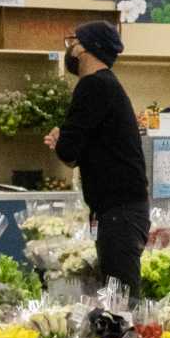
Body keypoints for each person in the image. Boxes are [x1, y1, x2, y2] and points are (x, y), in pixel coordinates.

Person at [45, 21, 149, 298]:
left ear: (87, 50)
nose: (70, 49)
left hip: (119, 214)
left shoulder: (92, 86)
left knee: (121, 303)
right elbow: (77, 153)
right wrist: (65, 142)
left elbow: (68, 153)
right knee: (120, 296)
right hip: (122, 212)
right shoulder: (107, 87)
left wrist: (62, 142)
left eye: (73, 43)